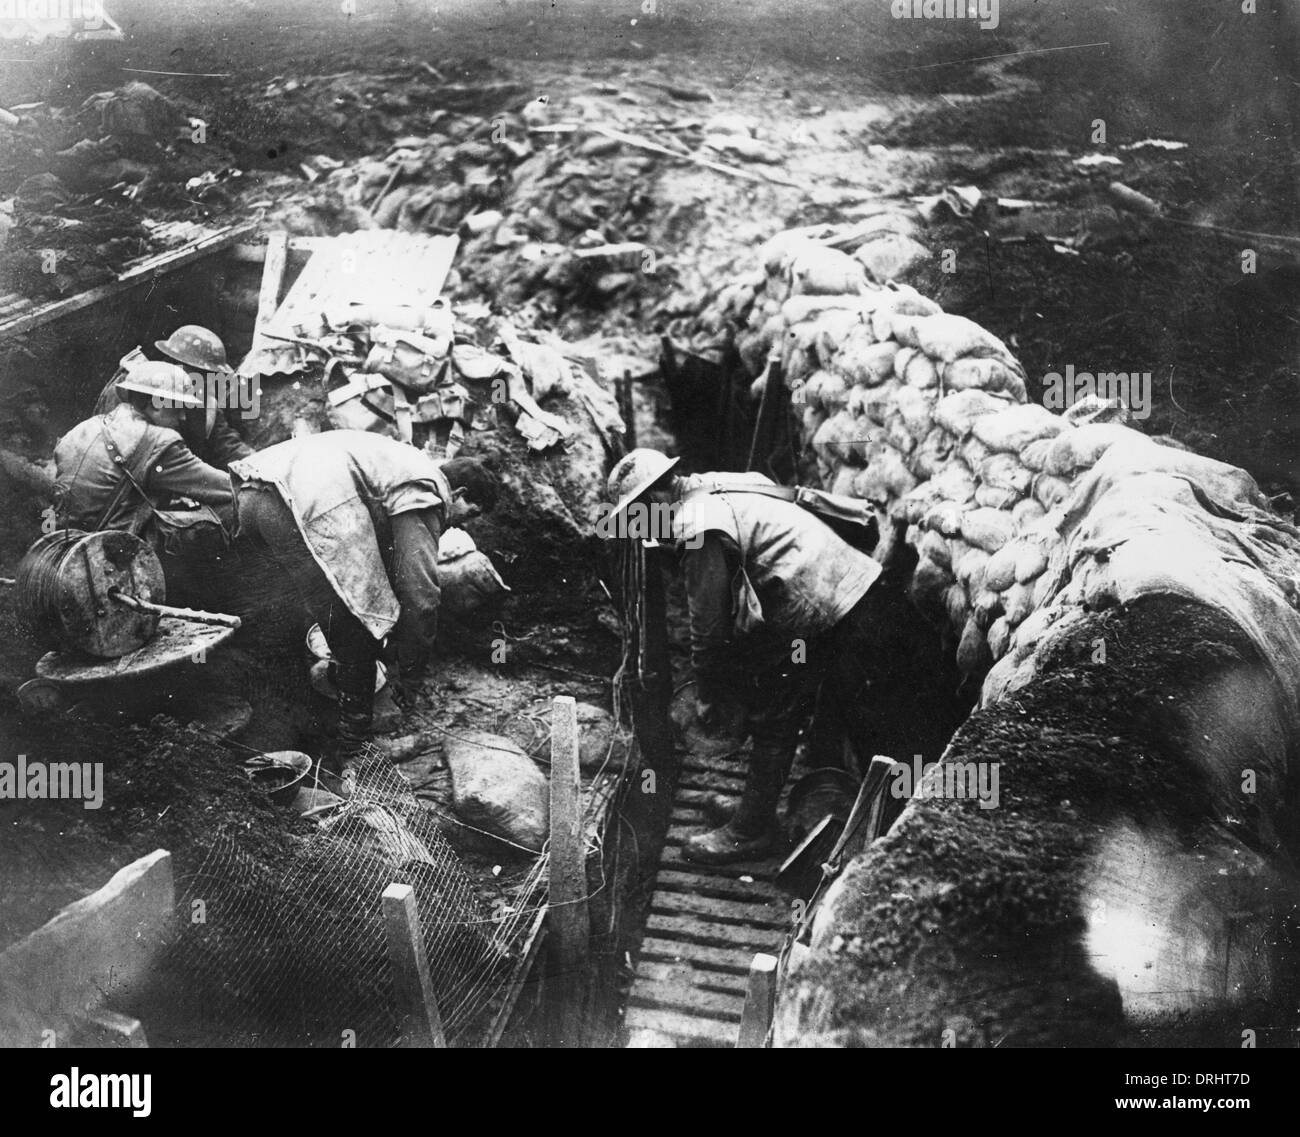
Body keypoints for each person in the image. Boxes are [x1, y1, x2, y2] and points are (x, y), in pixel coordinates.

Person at [606, 448, 900, 864]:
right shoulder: (717, 481)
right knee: (779, 701)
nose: (639, 527)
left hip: (836, 610)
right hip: (850, 589)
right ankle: (755, 811)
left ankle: (751, 831)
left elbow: (707, 630)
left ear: (654, 499)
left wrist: (709, 692)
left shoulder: (697, 527)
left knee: (776, 715)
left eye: (638, 515)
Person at [229, 430, 501, 785]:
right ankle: (354, 750)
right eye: (470, 514)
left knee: (303, 605)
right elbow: (420, 594)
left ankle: (299, 707)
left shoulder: (402, 461)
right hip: (302, 503)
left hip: (254, 491)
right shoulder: (429, 488)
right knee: (353, 623)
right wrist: (410, 671)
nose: (462, 523)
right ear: (460, 494)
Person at [53, 361, 236, 604]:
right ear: (156, 406)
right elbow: (225, 488)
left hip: (66, 550)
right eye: (179, 407)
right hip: (114, 555)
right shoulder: (160, 441)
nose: (183, 416)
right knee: (229, 511)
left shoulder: (85, 428)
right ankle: (200, 596)